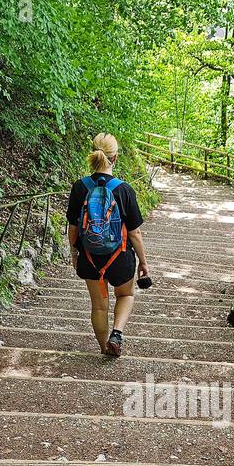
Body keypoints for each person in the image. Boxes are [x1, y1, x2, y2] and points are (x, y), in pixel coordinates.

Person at [66, 133, 150, 355]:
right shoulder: (124, 190)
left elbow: (73, 228)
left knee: (99, 306)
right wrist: (143, 263)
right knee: (126, 295)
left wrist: (75, 254)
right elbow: (135, 233)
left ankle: (104, 348)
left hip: (90, 258)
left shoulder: (79, 187)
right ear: (116, 158)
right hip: (120, 257)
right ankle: (117, 333)